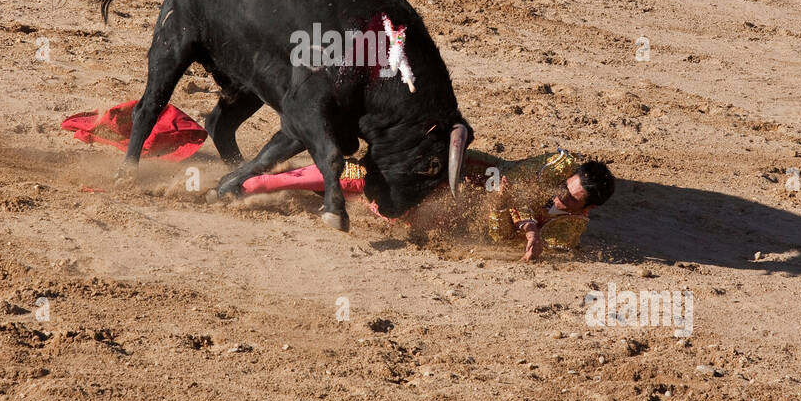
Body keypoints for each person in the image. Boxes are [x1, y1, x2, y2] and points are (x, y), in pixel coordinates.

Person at [238, 146, 615, 261]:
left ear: (587, 210)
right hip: (465, 174)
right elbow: (509, 179)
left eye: (570, 200)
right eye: (565, 188)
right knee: (363, 174)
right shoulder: (558, 167)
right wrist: (527, 223)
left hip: (449, 219)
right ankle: (253, 183)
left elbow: (499, 241)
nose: (558, 196)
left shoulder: (569, 231)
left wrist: (520, 226)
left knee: (381, 197)